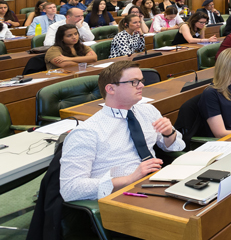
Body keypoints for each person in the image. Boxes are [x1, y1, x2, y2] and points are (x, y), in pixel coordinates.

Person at [59, 61, 184, 201]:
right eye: (134, 82)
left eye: (141, 81)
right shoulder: (87, 132)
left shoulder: (148, 111)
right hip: (119, 196)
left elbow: (172, 146)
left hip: (155, 182)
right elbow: (70, 189)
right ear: (111, 89)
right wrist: (129, 179)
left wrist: (169, 133)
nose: (142, 85)